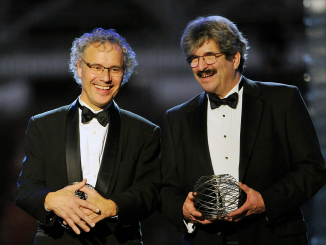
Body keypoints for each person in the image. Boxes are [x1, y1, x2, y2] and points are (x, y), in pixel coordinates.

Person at [160, 16, 326, 245]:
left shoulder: (282, 100)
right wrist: (183, 209)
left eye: (209, 56)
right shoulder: (176, 118)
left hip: (272, 237)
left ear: (235, 58)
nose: (201, 67)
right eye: (194, 59)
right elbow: (166, 188)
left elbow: (312, 169)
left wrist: (265, 202)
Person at [15, 28, 161, 245]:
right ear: (79, 68)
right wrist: (51, 199)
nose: (106, 78)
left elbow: (151, 192)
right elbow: (26, 190)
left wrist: (111, 207)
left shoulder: (145, 131)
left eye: (114, 69)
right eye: (96, 67)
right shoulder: (43, 125)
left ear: (125, 73)